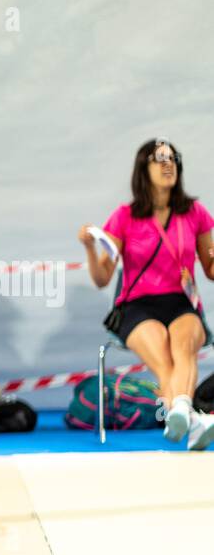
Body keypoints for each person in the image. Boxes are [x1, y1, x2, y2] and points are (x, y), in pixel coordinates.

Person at [78, 138, 214, 450]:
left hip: (181, 302)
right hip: (136, 306)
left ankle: (182, 415)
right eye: (160, 158)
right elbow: (102, 279)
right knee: (164, 358)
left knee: (185, 345)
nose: (168, 164)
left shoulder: (196, 213)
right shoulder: (124, 217)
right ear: (144, 167)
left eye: (173, 158)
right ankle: (192, 420)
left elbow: (210, 269)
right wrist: (89, 247)